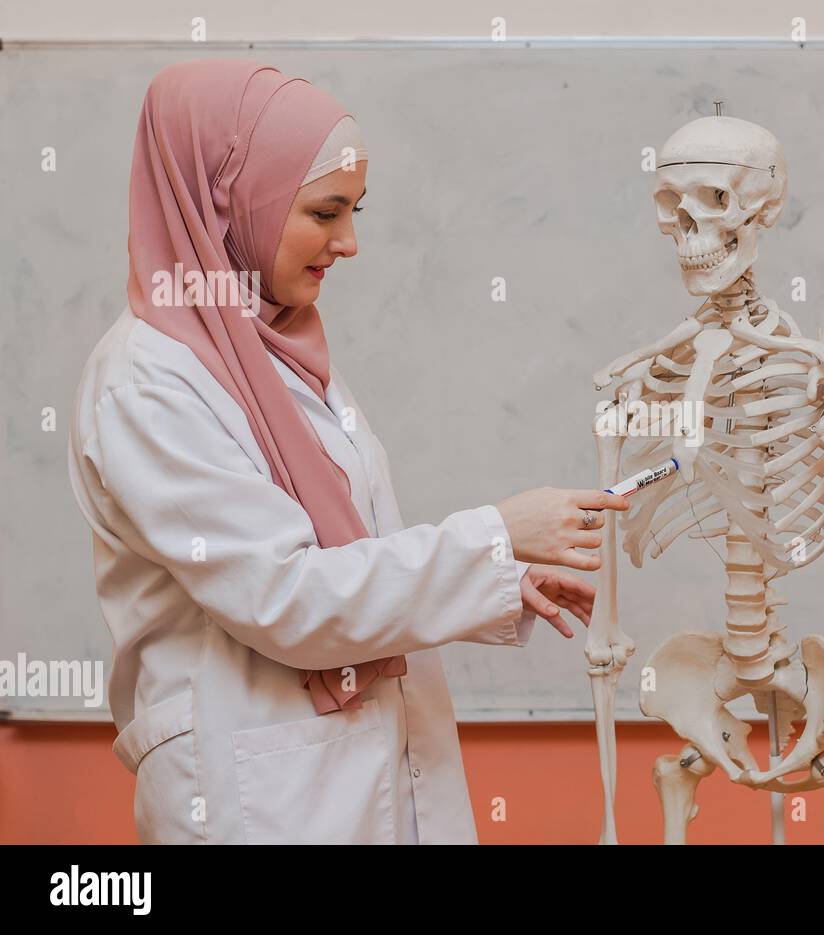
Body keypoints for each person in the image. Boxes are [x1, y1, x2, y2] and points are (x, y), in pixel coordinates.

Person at [66, 58, 628, 844]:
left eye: (355, 210)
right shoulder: (147, 381)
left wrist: (498, 575)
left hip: (350, 775)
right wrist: (493, 535)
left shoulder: (279, 356)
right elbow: (286, 597)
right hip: (255, 795)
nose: (350, 242)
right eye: (325, 212)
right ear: (231, 201)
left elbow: (346, 556)